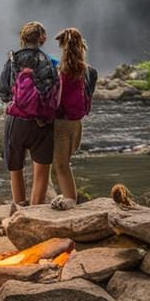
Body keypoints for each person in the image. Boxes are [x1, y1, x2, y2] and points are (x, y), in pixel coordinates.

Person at [0, 21, 60, 209]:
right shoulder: (49, 61)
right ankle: (34, 212)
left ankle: (18, 211)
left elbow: (2, 91)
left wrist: (17, 102)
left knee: (15, 169)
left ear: (23, 38)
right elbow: (54, 91)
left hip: (16, 121)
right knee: (41, 172)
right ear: (42, 38)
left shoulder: (13, 60)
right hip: (41, 122)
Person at [50, 27, 98, 210]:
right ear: (81, 46)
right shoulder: (90, 71)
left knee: (60, 165)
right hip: (77, 124)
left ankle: (70, 199)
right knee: (64, 163)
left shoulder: (58, 71)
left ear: (63, 46)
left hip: (60, 123)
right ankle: (68, 195)